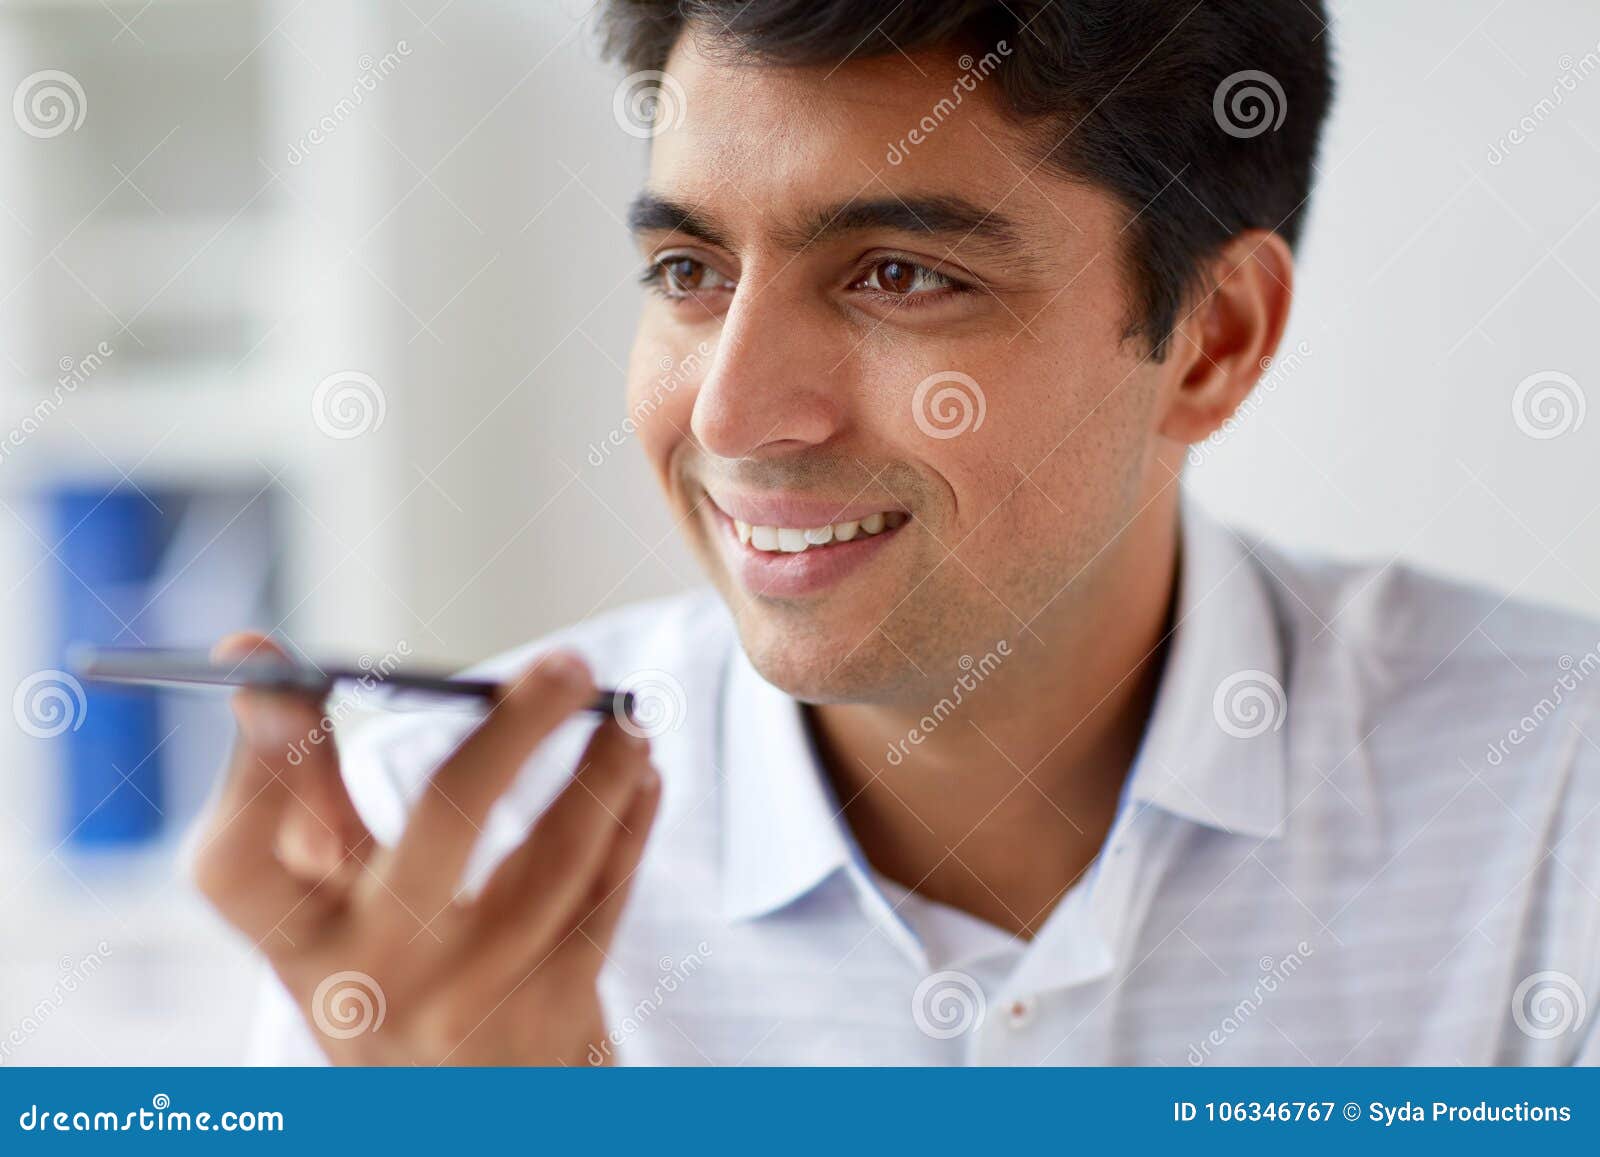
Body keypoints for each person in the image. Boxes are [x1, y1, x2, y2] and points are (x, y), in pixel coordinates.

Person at [195, 0, 1600, 1065]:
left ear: (1212, 341)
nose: (736, 413)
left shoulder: (1553, 801)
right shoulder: (421, 871)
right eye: (687, 270)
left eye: (899, 275)